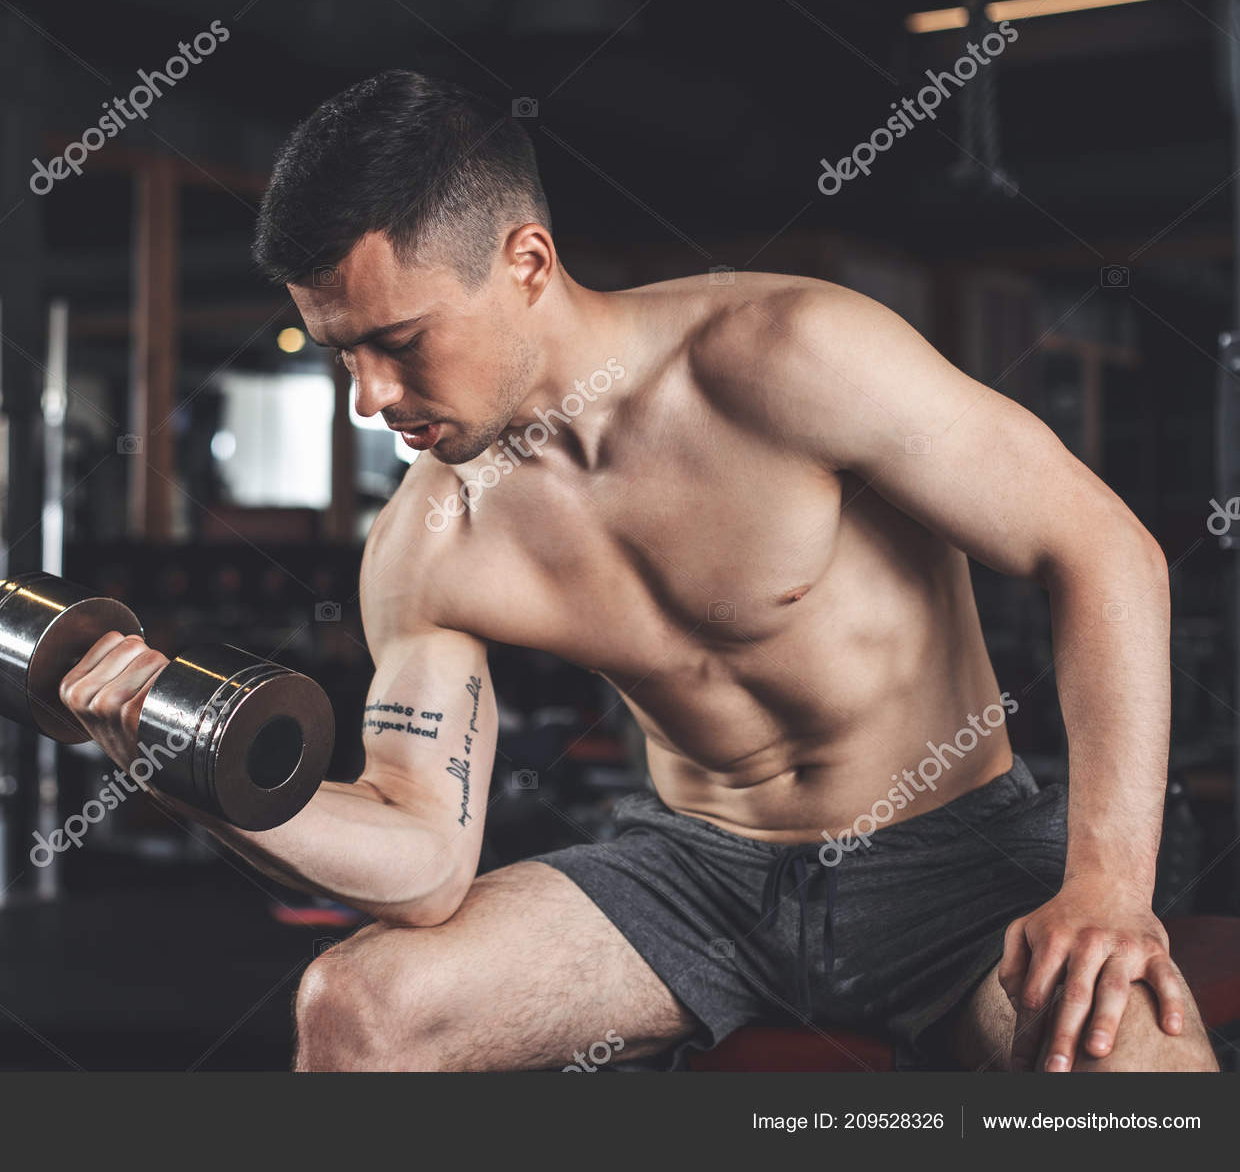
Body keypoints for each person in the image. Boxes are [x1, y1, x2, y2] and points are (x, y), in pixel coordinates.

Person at [59, 70, 1216, 1072]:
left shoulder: (787, 357)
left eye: (398, 342)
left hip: (953, 863)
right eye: (341, 355)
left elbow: (1102, 546)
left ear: (526, 261)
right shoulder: (428, 543)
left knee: (1144, 1076)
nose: (368, 398)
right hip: (695, 875)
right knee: (359, 1009)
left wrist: (1108, 886)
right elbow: (417, 858)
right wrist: (187, 768)